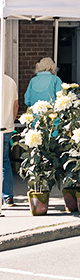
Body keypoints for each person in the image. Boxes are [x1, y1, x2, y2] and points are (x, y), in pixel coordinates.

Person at [2, 73, 18, 208]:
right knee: (5, 162)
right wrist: (11, 121)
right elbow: (15, 105)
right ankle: (7, 197)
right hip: (7, 126)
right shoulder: (10, 82)